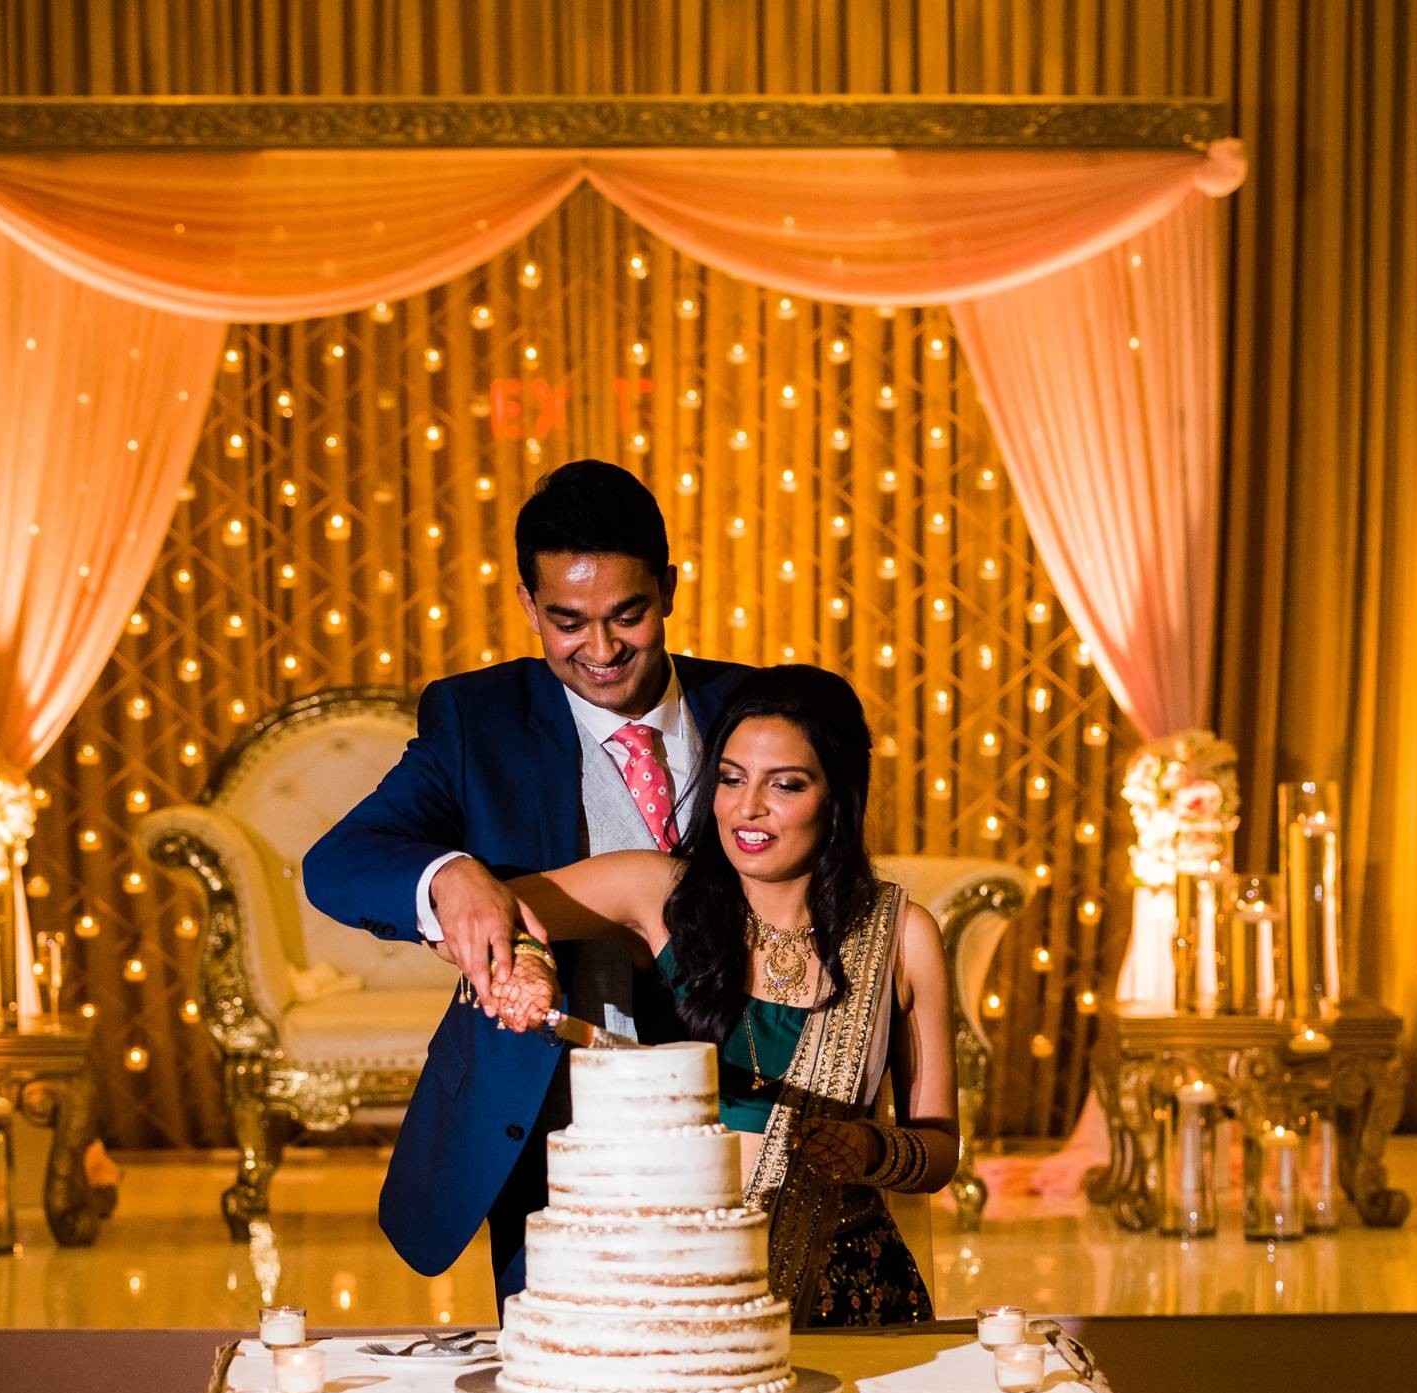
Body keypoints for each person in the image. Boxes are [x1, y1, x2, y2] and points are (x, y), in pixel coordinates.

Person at [304, 460, 753, 1300]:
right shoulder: (479, 720)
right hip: (556, 1128)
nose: (602, 649)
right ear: (527, 606)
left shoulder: (758, 705)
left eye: (630, 614)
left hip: (741, 1121)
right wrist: (449, 873)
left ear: (670, 587)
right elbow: (338, 860)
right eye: (567, 621)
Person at [481, 665, 957, 1326]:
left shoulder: (900, 936)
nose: (747, 808)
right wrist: (530, 963)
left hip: (847, 1290)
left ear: (839, 793)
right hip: (683, 1287)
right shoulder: (657, 893)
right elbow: (486, 912)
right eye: (731, 778)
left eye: (785, 784)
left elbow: (939, 1151)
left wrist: (875, 1153)